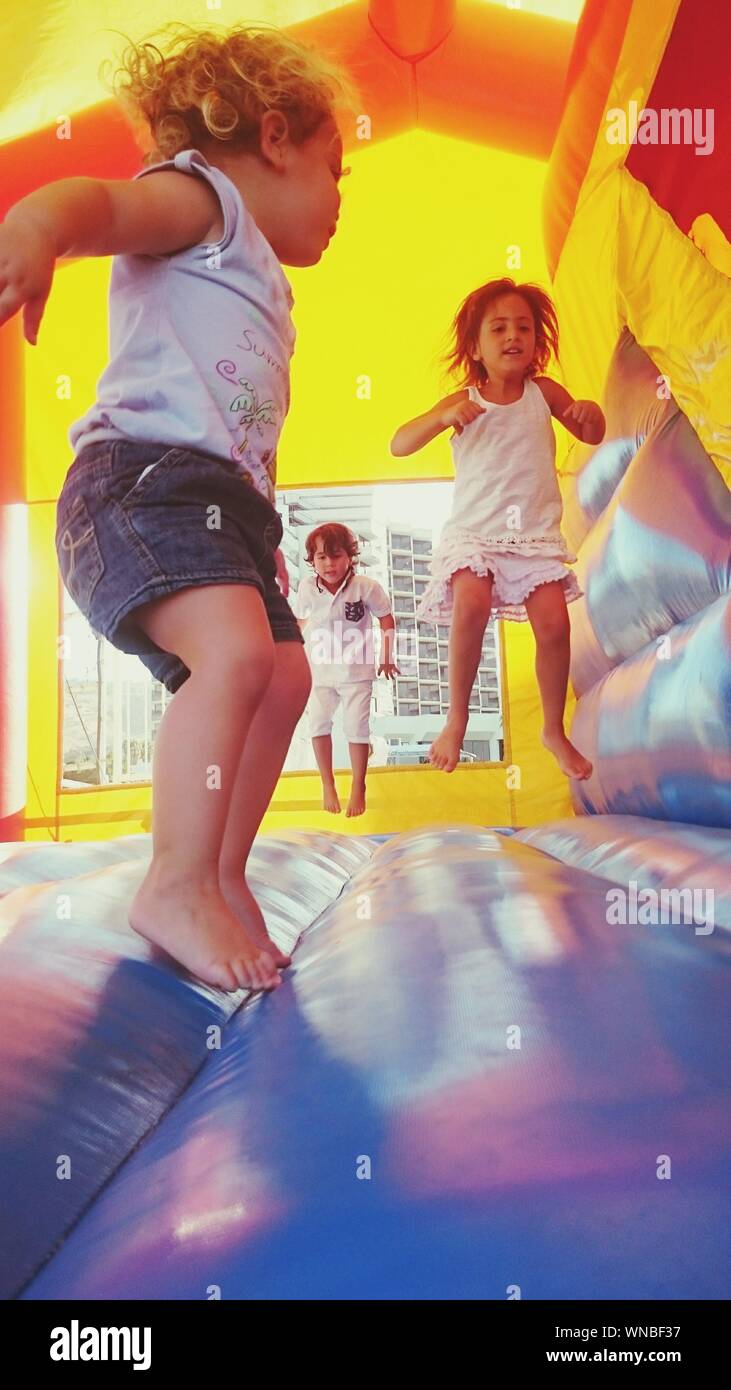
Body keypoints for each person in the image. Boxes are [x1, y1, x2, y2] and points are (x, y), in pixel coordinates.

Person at [0, 21, 357, 991]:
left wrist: (258, 541)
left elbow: (238, 431)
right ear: (274, 137)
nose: (339, 202)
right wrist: (36, 231)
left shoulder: (258, 276)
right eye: (335, 170)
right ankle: (174, 878)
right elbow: (98, 202)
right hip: (138, 483)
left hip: (219, 509)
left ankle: (220, 872)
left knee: (283, 677)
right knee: (236, 658)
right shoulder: (203, 200)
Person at [391, 277, 605, 779]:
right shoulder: (464, 398)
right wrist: (443, 416)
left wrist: (588, 414)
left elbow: (592, 432)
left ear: (537, 342)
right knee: (471, 601)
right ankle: (457, 717)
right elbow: (399, 444)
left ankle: (552, 729)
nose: (513, 336)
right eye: (499, 328)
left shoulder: (544, 393)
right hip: (475, 533)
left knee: (554, 625)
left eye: (524, 328)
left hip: (532, 536)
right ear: (476, 347)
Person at [293, 524, 398, 816]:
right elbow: (299, 623)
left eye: (336, 556)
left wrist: (386, 656)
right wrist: (290, 656)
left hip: (356, 672)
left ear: (350, 557)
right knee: (318, 724)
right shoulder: (306, 589)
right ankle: (327, 784)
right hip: (320, 671)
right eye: (322, 558)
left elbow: (387, 620)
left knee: (356, 729)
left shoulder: (365, 587)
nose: (329, 564)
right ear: (312, 561)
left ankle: (358, 786)